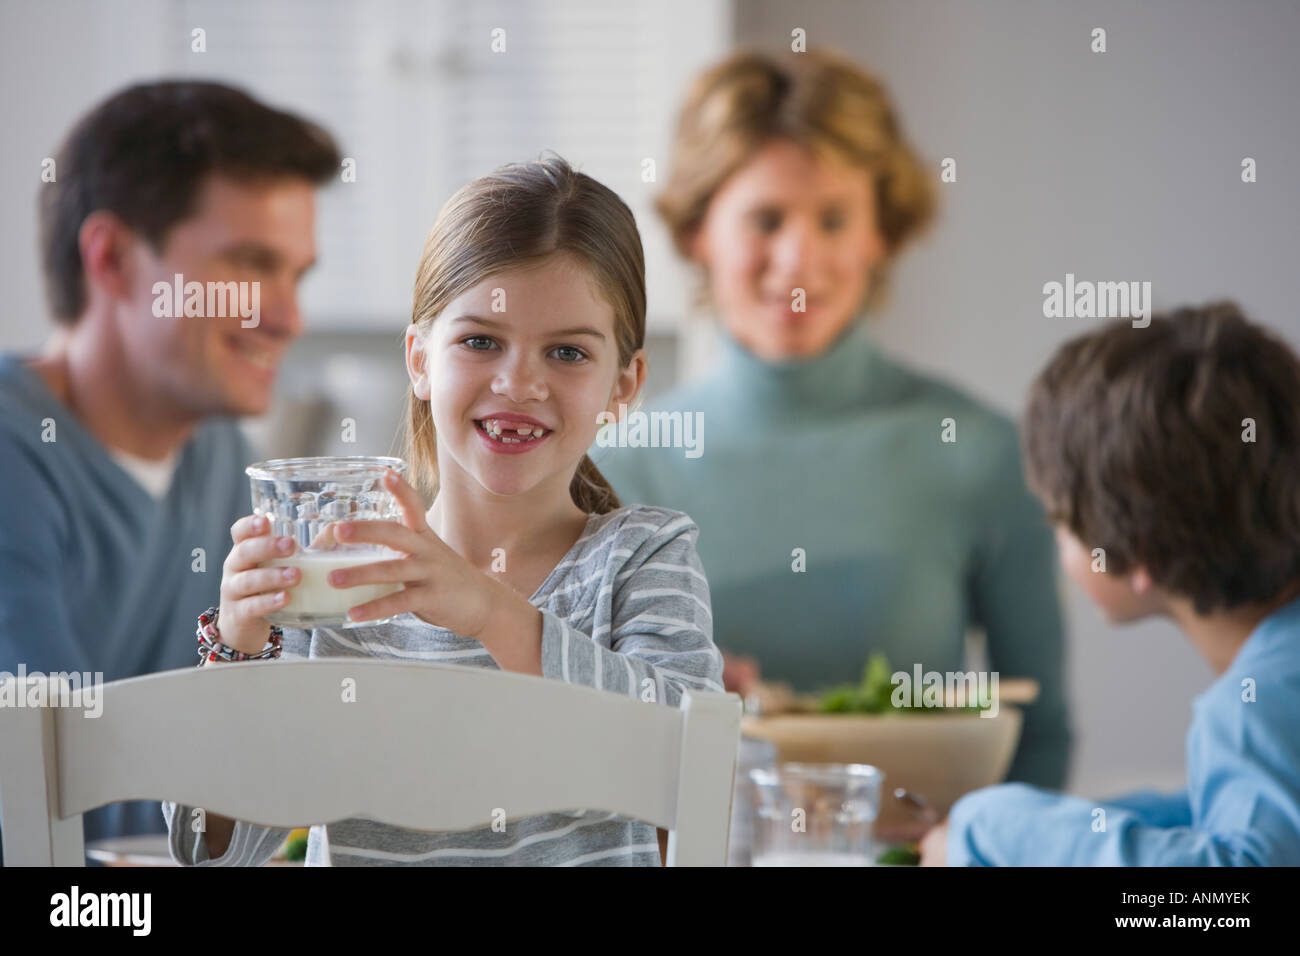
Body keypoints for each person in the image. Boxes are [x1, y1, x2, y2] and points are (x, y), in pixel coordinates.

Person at [161, 155, 725, 867]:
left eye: (567, 352)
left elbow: (688, 775)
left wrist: (489, 611)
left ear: (625, 383)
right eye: (481, 341)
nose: (519, 382)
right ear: (420, 359)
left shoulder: (645, 557)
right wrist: (238, 656)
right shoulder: (341, 582)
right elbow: (213, 850)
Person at [592, 48, 1071, 788]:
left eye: (835, 218)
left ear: (881, 233)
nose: (798, 260)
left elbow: (1039, 741)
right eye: (766, 218)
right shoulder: (614, 469)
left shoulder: (980, 453)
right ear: (696, 233)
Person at [0, 81, 340, 861]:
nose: (289, 317)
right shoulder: (13, 457)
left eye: (298, 275)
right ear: (112, 258)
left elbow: (235, 735)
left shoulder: (218, 460)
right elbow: (52, 784)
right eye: (252, 264)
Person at [921, 302, 1300, 865]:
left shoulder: (1257, 706)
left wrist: (990, 831)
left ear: (1136, 550)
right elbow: (1237, 815)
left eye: (1061, 522)